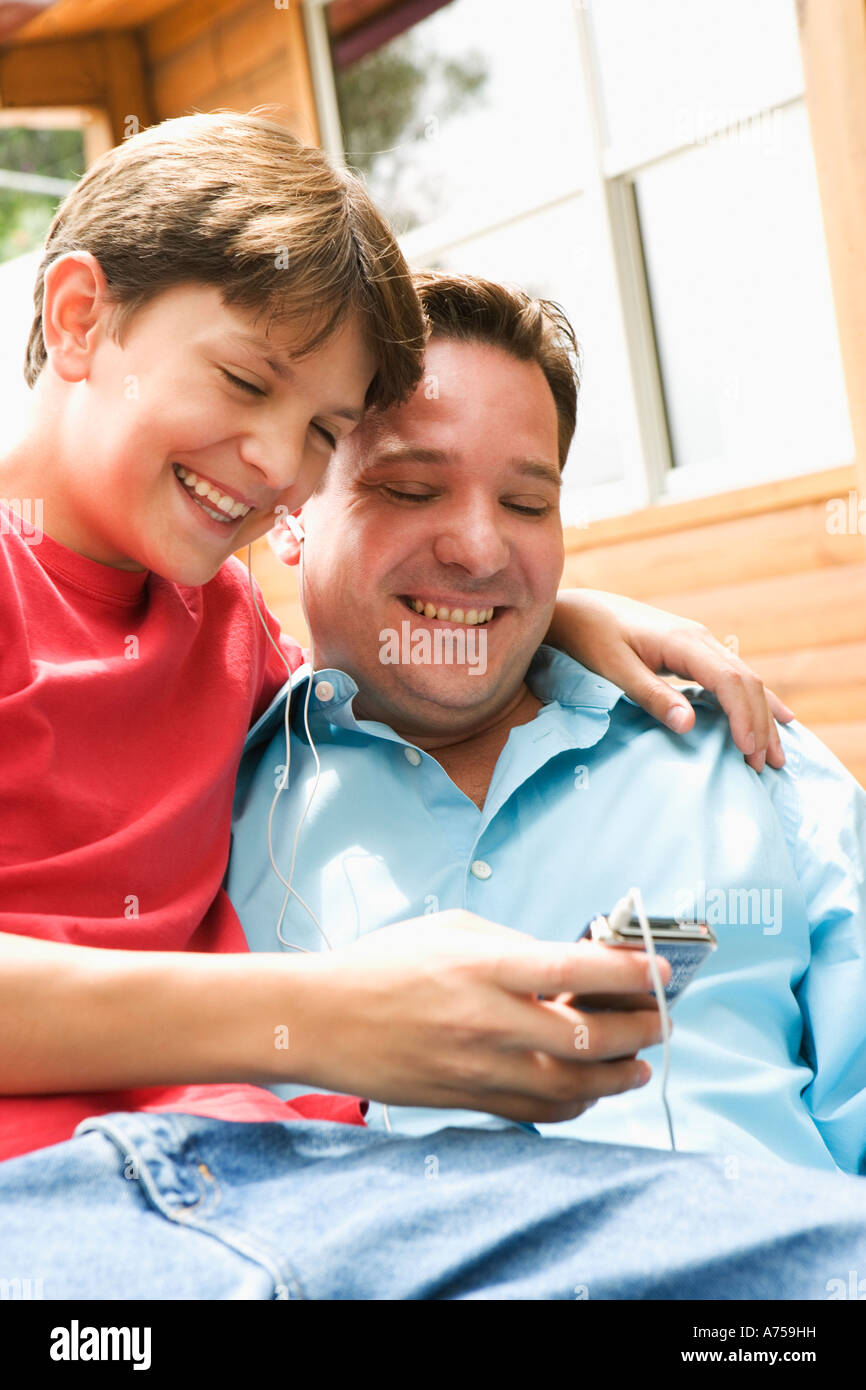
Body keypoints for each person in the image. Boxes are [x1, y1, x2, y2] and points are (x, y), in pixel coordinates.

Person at [1, 112, 856, 1301]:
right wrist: (320, 1018)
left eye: (314, 430)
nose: (269, 461)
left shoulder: (221, 641)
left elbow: (414, 615)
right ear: (78, 317)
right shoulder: (225, 702)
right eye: (246, 382)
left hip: (270, 1204)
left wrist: (555, 614)